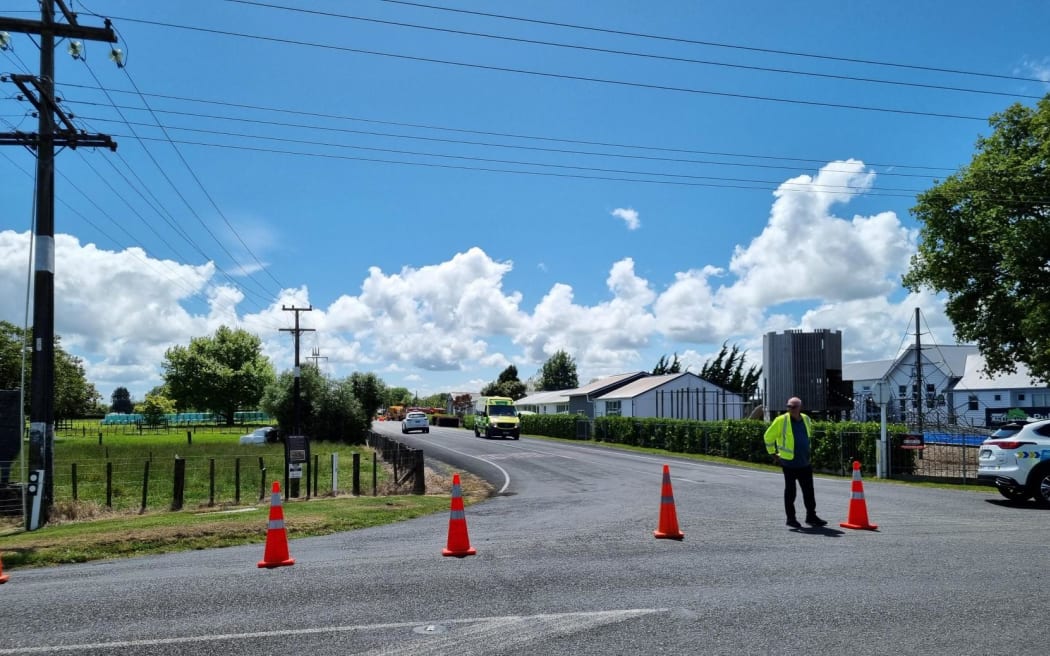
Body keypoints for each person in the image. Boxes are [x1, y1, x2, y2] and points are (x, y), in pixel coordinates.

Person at [764, 397, 827, 528]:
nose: (790, 409)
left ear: (800, 407)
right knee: (790, 492)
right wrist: (772, 453)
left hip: (804, 462)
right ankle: (791, 518)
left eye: (793, 406)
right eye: (788, 406)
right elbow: (768, 436)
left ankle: (811, 516)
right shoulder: (781, 420)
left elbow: (807, 437)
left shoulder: (806, 419)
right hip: (789, 463)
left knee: (809, 492)